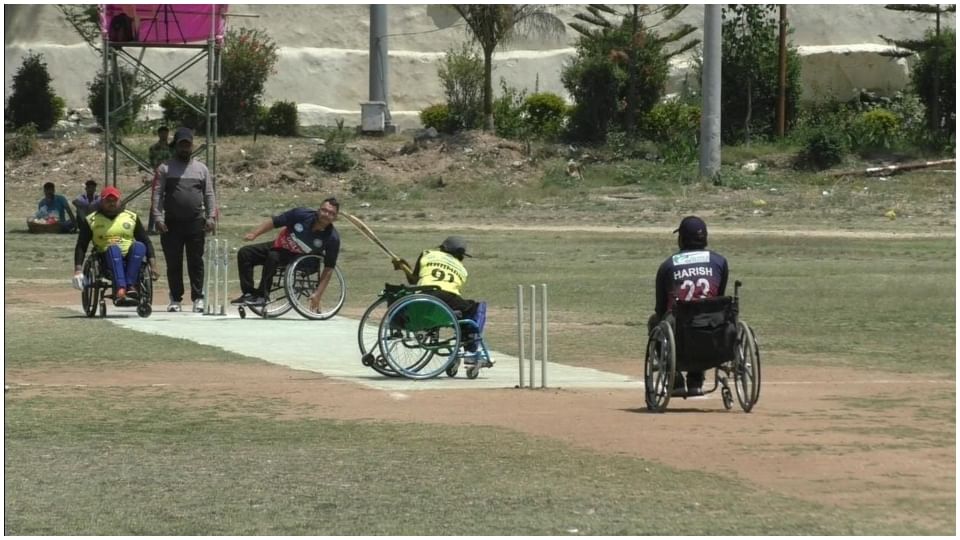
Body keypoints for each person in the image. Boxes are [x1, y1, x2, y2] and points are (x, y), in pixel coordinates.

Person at [649, 216, 729, 397]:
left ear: (682, 238)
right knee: (706, 320)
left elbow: (660, 307)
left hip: (679, 326)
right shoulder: (720, 262)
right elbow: (719, 298)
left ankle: (675, 378)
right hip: (711, 325)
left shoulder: (668, 265)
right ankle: (696, 380)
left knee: (656, 322)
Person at [232, 198, 341, 310]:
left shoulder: (332, 238)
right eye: (324, 210)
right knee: (245, 253)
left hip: (302, 260)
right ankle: (249, 294)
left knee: (273, 256)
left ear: (335, 217)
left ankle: (261, 296)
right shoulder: (301, 214)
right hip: (280, 245)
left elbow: (329, 268)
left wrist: (318, 293)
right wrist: (254, 234)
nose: (326, 214)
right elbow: (275, 222)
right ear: (318, 210)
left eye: (331, 213)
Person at [152, 127, 216, 313]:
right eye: (181, 145)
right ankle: (175, 298)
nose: (185, 148)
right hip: (171, 223)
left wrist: (211, 217)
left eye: (187, 145)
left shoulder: (201, 169)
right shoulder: (165, 168)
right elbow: (157, 194)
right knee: (174, 262)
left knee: (196, 262)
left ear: (192, 146)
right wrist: (157, 217)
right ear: (176, 146)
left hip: (196, 222)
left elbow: (209, 194)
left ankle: (198, 298)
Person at [393, 236, 487, 352]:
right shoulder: (462, 270)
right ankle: (470, 344)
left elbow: (414, 281)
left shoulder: (426, 254)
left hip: (423, 297)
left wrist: (404, 267)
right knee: (474, 308)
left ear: (442, 248)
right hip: (446, 300)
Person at [72, 186, 159, 301]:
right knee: (114, 249)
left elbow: (145, 241)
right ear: (102, 202)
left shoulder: (131, 217)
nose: (111, 203)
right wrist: (78, 270)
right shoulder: (91, 220)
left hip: (130, 257)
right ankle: (121, 288)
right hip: (105, 259)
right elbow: (81, 245)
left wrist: (153, 265)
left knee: (139, 246)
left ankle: (130, 286)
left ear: (119, 201)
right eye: (108, 201)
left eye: (114, 200)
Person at [146, 126, 173, 233]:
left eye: (165, 133)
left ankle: (167, 225)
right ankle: (151, 227)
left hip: (171, 177)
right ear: (158, 134)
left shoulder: (172, 148)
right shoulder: (153, 148)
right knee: (155, 201)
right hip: (158, 176)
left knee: (171, 201)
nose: (164, 135)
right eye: (162, 133)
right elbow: (151, 162)